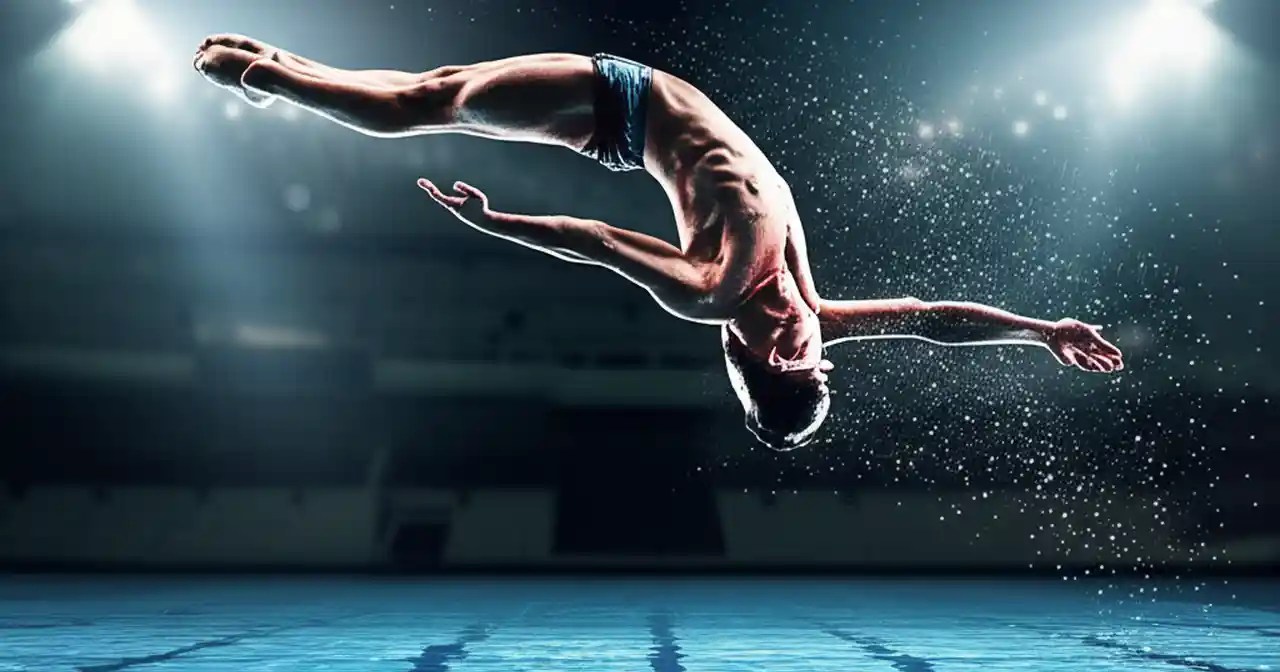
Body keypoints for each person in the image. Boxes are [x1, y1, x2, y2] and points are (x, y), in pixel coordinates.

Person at [193, 35, 1124, 450]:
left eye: (793, 360)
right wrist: (1039, 331)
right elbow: (932, 323)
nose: (810, 343)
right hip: (640, 98)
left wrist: (496, 222)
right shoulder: (818, 307)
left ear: (753, 360)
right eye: (819, 364)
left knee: (428, 107)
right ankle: (281, 66)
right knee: (436, 90)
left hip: (618, 109)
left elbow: (599, 238)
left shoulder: (712, 292)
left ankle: (266, 77)